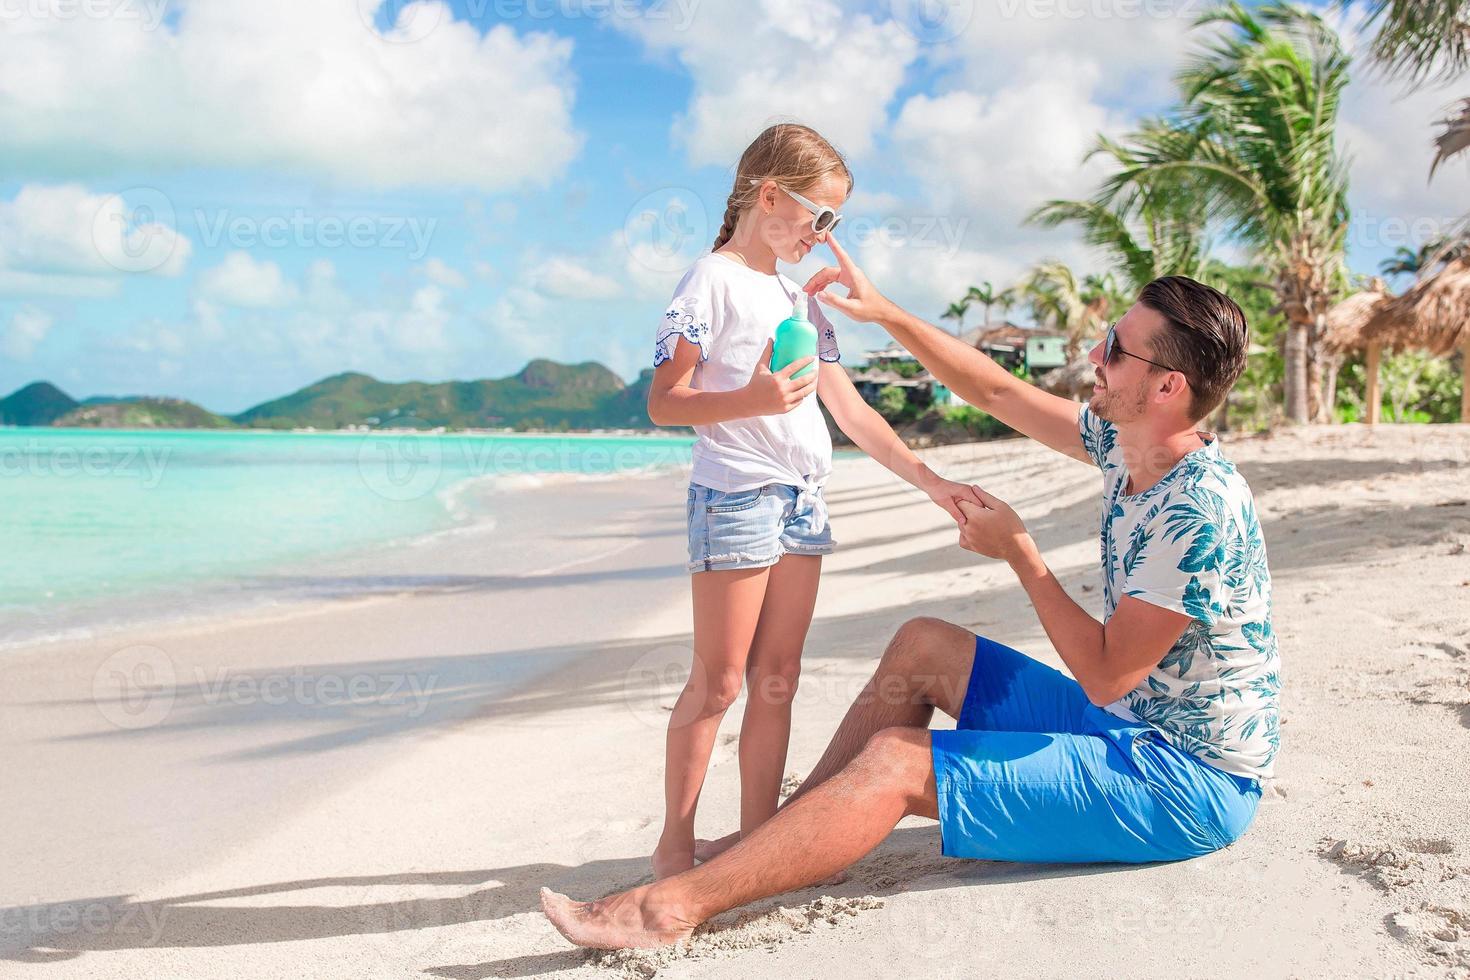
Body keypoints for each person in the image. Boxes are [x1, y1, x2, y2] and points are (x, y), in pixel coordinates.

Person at [542, 236, 1280, 949]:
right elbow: (995, 390)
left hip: (1183, 782)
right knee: (924, 644)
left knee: (897, 761)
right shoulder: (1129, 442)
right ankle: (774, 841)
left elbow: (1107, 672)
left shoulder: (1197, 510)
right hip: (1124, 723)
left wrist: (1020, 552)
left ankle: (668, 909)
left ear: (1167, 386)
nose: (1094, 354)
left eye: (1115, 348)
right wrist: (884, 311)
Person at [644, 125, 982, 879]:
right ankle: (674, 847)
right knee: (719, 682)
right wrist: (753, 398)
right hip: (735, 495)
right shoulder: (709, 280)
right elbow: (666, 402)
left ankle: (756, 840)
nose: (825, 235)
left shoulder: (797, 297)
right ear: (769, 196)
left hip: (803, 500)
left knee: (777, 678)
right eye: (820, 215)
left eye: (836, 221)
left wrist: (932, 482)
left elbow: (851, 411)